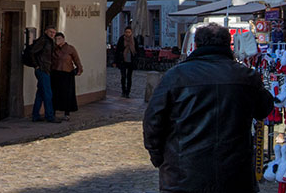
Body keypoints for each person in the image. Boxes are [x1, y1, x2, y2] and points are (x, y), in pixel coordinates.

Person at [143, 23, 273, 193]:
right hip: (234, 174)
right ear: (229, 45)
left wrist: (160, 157)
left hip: (184, 173)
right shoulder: (245, 76)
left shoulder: (175, 76)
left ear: (196, 45)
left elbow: (153, 121)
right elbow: (264, 109)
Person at [28, 26, 57, 122]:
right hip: (42, 69)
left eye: (54, 32)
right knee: (48, 93)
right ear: (46, 32)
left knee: (40, 93)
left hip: (46, 69)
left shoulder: (50, 42)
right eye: (50, 32)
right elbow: (32, 52)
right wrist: (36, 65)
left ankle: (36, 115)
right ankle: (49, 116)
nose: (52, 34)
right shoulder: (43, 41)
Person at [51, 32, 83, 119]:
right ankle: (53, 112)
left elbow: (76, 59)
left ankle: (67, 113)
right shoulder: (53, 49)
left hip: (67, 73)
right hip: (56, 73)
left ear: (63, 39)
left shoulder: (70, 48)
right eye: (56, 39)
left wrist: (79, 69)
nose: (57, 41)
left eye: (59, 39)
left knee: (67, 94)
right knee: (55, 93)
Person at [117, 26, 138, 98]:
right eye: (126, 32)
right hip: (123, 60)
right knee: (123, 76)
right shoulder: (121, 39)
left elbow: (136, 50)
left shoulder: (134, 40)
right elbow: (117, 50)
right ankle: (123, 91)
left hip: (131, 61)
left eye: (129, 32)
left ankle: (128, 92)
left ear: (131, 32)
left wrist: (136, 59)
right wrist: (116, 61)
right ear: (124, 32)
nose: (127, 33)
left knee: (129, 77)